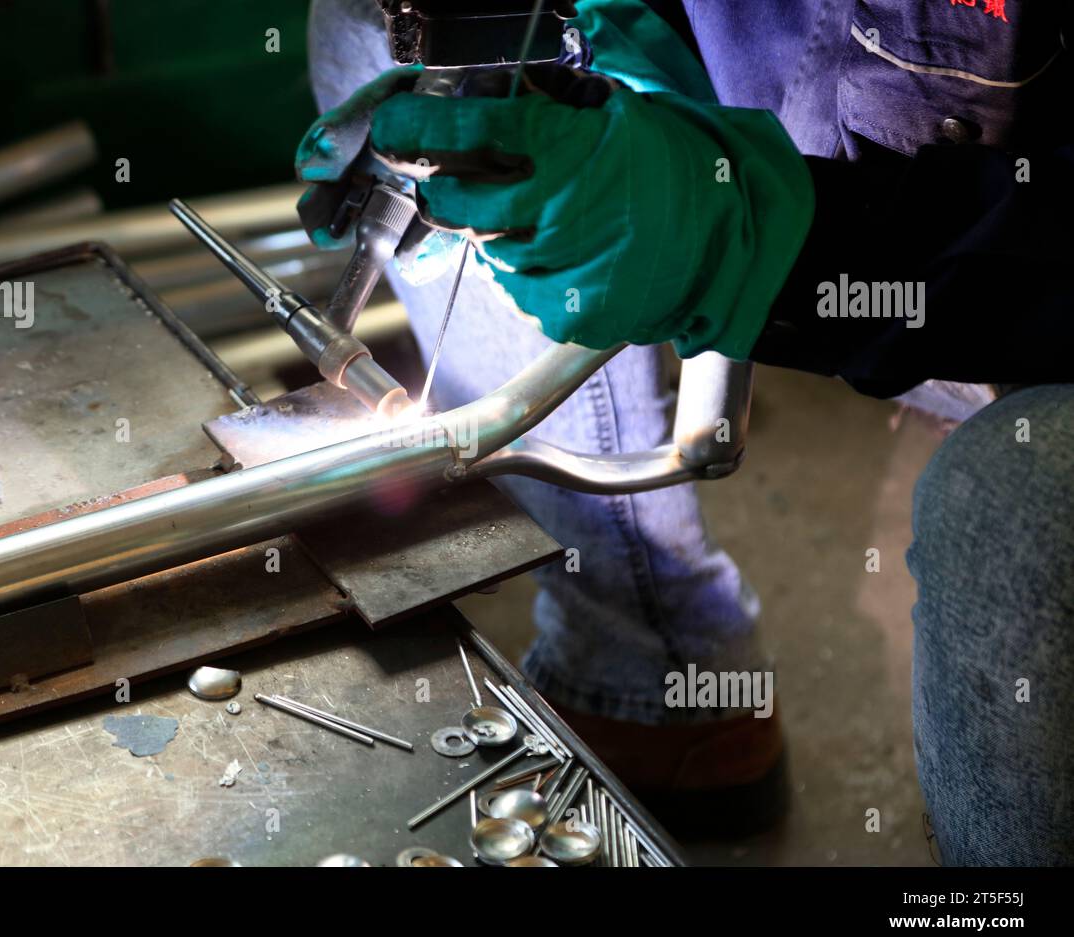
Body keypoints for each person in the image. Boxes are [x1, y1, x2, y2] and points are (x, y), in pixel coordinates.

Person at [298, 0, 1074, 864]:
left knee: (1021, 513)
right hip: (814, 146)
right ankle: (657, 685)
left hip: (1009, 256)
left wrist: (749, 234)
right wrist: (608, 39)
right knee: (374, 26)